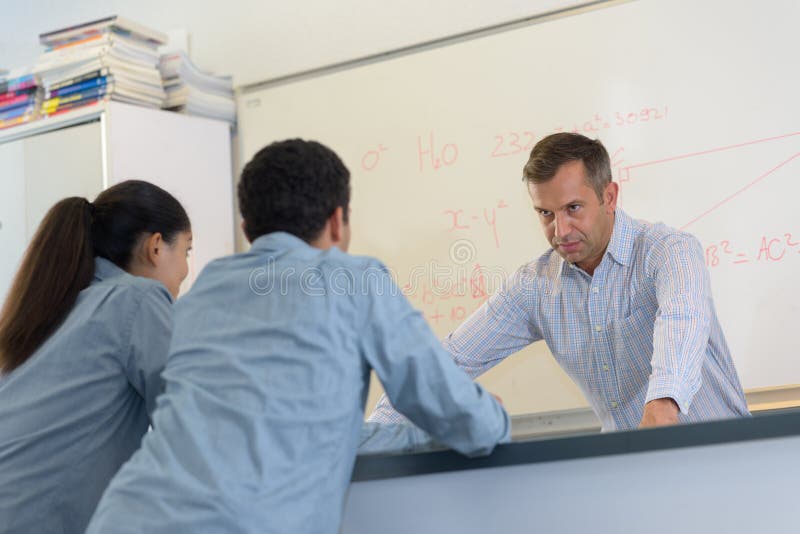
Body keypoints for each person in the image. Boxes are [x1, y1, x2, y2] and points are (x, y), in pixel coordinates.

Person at [87, 139, 509, 534]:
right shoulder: (355, 280)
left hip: (126, 516)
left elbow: (275, 432)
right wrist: (490, 416)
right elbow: (450, 409)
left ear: (248, 228)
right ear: (338, 222)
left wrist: (413, 433)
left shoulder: (205, 290)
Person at [371, 132, 749, 431]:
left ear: (610, 196)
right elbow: (450, 360)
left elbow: (683, 319)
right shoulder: (534, 287)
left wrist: (664, 403)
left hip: (725, 462)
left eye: (573, 209)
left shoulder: (669, 251)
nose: (560, 230)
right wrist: (368, 440)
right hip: (631, 480)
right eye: (545, 214)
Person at [0, 180, 192, 534]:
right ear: (155, 247)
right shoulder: (138, 299)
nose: (185, 271)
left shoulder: (49, 307)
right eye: (186, 251)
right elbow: (190, 424)